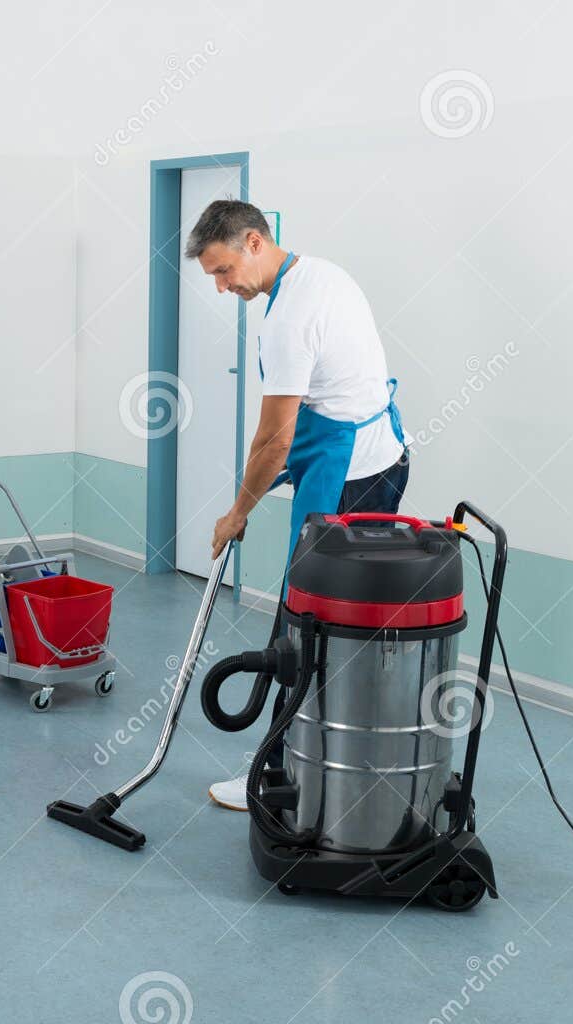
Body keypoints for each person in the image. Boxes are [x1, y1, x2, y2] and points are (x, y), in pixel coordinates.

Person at [186, 200, 410, 809]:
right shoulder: (323, 273)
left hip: (349, 479)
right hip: (376, 461)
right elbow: (333, 394)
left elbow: (274, 437)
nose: (221, 285)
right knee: (324, 629)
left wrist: (238, 512)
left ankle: (280, 777)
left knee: (305, 629)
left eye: (223, 270)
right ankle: (322, 762)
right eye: (212, 276)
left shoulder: (288, 318)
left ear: (254, 241)